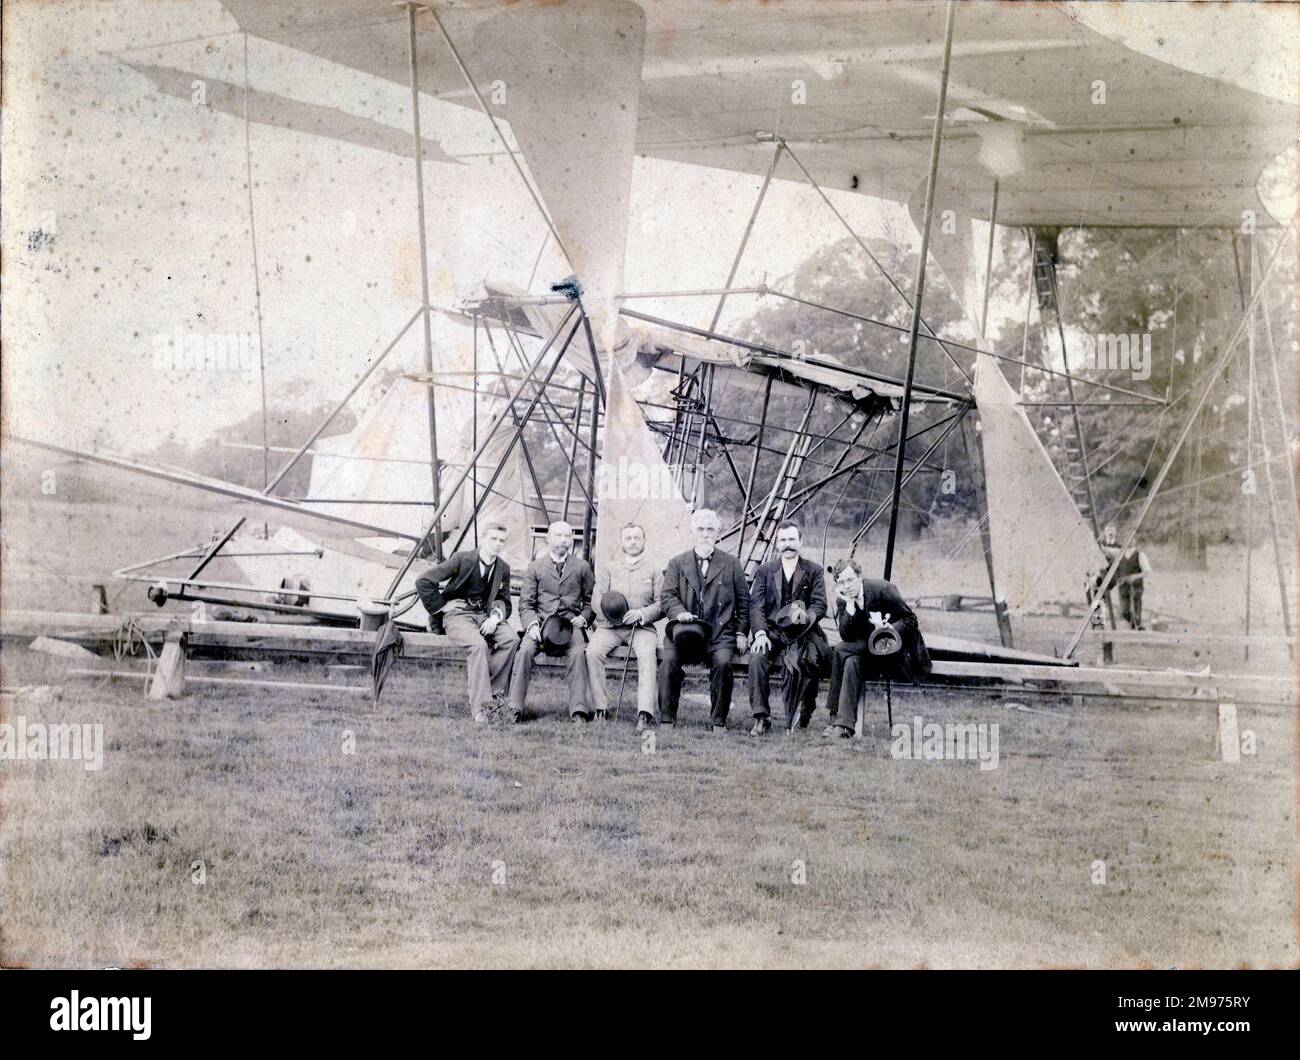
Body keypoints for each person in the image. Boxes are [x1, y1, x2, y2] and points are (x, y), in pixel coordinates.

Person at [415, 522, 519, 724]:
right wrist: (441, 607)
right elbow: (424, 581)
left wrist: (495, 618)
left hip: (485, 616)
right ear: (483, 539)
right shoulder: (462, 559)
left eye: (502, 541)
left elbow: (505, 601)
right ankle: (481, 710)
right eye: (493, 539)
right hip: (458, 615)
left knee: (512, 640)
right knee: (478, 645)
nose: (497, 544)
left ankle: (492, 697)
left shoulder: (503, 568)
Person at [658, 508, 750, 732]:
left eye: (711, 529)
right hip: (683, 633)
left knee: (722, 663)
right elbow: (667, 595)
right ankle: (667, 719)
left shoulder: (732, 564)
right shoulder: (677, 563)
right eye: (701, 529)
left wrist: (740, 632)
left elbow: (744, 602)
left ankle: (718, 721)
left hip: (719, 635)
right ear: (693, 532)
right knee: (668, 662)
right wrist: (678, 612)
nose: (705, 534)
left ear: (718, 533)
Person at [822, 557, 930, 738]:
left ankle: (833, 717)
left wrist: (888, 630)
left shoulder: (883, 589)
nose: (846, 586)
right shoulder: (844, 599)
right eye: (841, 582)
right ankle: (844, 726)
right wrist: (849, 607)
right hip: (867, 655)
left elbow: (911, 620)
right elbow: (847, 636)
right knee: (851, 662)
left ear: (860, 576)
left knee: (841, 650)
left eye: (850, 580)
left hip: (894, 653)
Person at [509, 520, 596, 723]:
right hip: (541, 625)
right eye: (558, 535)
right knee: (524, 651)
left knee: (577, 654)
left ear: (572, 540)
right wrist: (531, 625)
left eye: (567, 536)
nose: (563, 540)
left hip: (570, 625)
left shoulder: (582, 567)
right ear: (548, 539)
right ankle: (514, 708)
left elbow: (592, 601)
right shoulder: (535, 567)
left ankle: (579, 711)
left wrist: (583, 618)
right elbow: (526, 603)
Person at [746, 522, 829, 736]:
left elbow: (820, 604)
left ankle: (804, 712)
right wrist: (761, 633)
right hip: (772, 632)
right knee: (757, 657)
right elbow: (756, 605)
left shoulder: (814, 570)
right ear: (777, 544)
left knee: (808, 659)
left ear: (800, 542)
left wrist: (806, 618)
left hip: (804, 632)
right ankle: (761, 717)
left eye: (792, 539)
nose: (788, 545)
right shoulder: (765, 571)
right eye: (783, 540)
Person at [585, 523, 663, 730]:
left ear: (644, 541)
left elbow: (662, 603)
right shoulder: (609, 568)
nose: (633, 542)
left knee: (647, 653)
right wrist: (612, 615)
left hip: (641, 629)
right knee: (592, 652)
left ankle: (644, 713)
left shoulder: (654, 569)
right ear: (621, 542)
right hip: (609, 627)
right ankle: (600, 708)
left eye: (637, 537)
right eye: (628, 538)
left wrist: (641, 614)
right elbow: (596, 599)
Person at [1093, 522, 1151, 629]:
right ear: (1104, 532)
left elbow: (1112, 552)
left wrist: (1102, 548)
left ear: (1115, 533)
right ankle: (1098, 623)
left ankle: (1136, 623)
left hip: (1116, 575)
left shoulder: (1121, 548)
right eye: (1108, 530)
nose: (1110, 533)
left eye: (1112, 530)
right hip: (1103, 574)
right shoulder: (1101, 543)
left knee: (1129, 602)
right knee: (1098, 594)